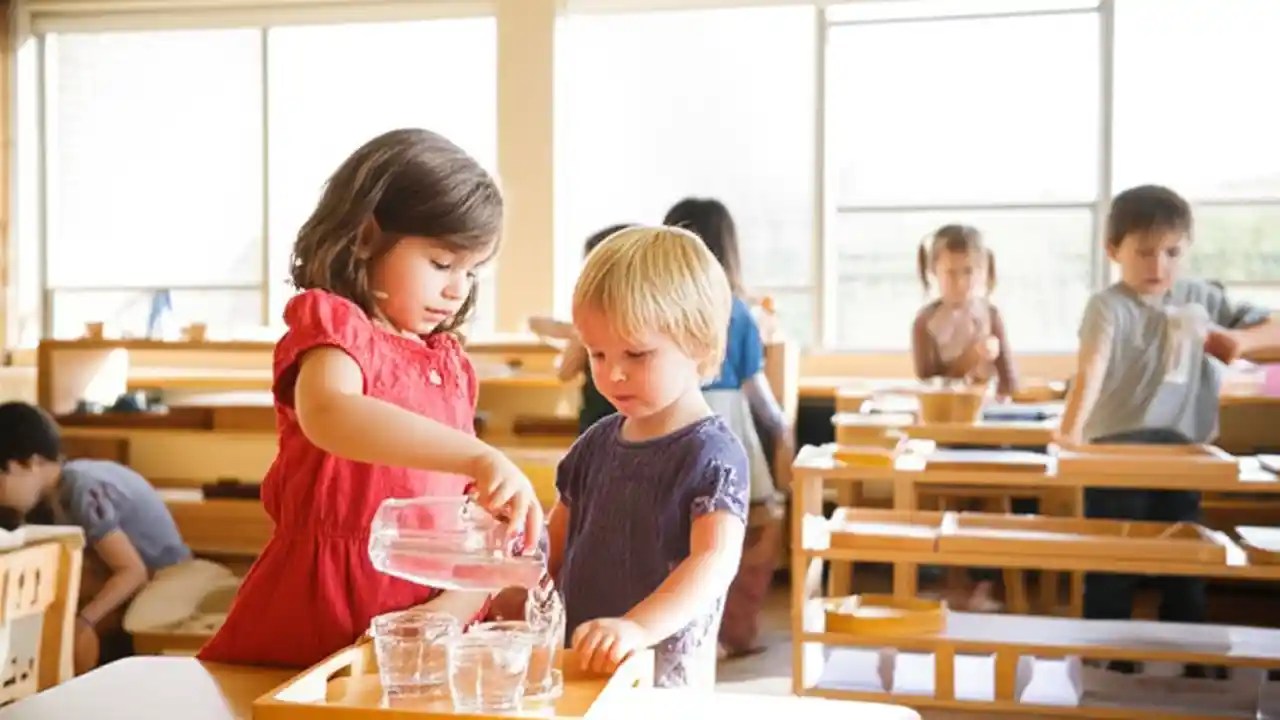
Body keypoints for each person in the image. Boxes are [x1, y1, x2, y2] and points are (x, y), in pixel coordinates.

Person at [198, 128, 542, 668]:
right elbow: (331, 413)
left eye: (470, 272)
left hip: (411, 647)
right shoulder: (338, 330)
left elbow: (473, 546)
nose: (457, 290)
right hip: (311, 622)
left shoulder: (451, 369)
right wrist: (479, 455)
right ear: (364, 237)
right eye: (441, 263)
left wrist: (446, 614)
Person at [1058, 185, 1278, 651]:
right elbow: (1091, 368)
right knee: (1113, 565)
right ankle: (1101, 660)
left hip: (1185, 455)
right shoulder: (1108, 305)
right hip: (1114, 455)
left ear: (1188, 250)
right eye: (1144, 253)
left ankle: (1191, 661)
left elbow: (1272, 327)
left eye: (1172, 252)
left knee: (1187, 563)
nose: (1159, 267)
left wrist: (1236, 341)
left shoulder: (1203, 297)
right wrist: (1070, 434)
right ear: (1114, 250)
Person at [548, 226, 749, 688]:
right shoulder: (596, 443)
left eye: (636, 354)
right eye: (597, 354)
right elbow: (551, 544)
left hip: (661, 684)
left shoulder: (711, 453)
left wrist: (637, 627)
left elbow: (713, 562)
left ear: (697, 344)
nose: (613, 373)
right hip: (579, 667)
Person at [662, 197, 790, 658]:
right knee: (751, 530)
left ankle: (687, 630)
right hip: (727, 425)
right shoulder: (737, 312)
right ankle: (735, 631)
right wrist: (784, 429)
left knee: (681, 537)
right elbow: (759, 393)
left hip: (673, 423)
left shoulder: (662, 306)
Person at [0, 402, 199, 675]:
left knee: (75, 632)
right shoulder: (44, 499)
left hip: (164, 577)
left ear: (32, 463)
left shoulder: (82, 489)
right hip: (123, 574)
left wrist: (84, 621)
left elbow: (133, 571)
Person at [527, 223, 635, 434]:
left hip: (598, 427)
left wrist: (571, 334)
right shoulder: (649, 322)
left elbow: (565, 372)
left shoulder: (591, 321)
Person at [912, 224, 1018, 399]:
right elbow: (927, 382)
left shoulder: (990, 315)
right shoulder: (925, 322)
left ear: (982, 270)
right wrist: (970, 358)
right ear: (933, 271)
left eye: (968, 271)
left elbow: (1009, 381)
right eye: (951, 273)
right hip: (943, 412)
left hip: (985, 411)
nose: (960, 283)